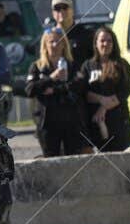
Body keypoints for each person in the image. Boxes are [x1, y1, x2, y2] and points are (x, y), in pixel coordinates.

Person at [24, 27, 89, 157]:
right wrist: (51, 78)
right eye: (51, 42)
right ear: (45, 44)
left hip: (71, 121)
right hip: (47, 122)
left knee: (72, 160)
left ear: (64, 44)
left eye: (59, 41)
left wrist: (54, 90)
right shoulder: (37, 67)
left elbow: (79, 87)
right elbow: (30, 90)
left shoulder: (72, 65)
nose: (55, 45)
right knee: (50, 159)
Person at [83, 25, 130, 152]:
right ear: (96, 43)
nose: (106, 44)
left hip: (119, 123)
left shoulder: (122, 65)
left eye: (109, 41)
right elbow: (83, 92)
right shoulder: (88, 66)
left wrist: (103, 108)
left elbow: (125, 91)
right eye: (102, 41)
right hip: (95, 124)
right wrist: (101, 100)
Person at [50, 0, 95, 64]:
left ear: (72, 11)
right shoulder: (49, 36)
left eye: (65, 7)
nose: (61, 11)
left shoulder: (86, 34)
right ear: (53, 13)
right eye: (57, 8)